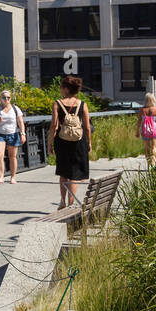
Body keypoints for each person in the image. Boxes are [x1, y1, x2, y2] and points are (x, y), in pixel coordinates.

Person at [49, 76, 92, 210]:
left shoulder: (57, 103)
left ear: (66, 89)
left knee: (63, 172)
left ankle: (62, 202)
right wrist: (89, 142)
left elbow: (54, 126)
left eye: (61, 87)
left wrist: (50, 143)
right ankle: (71, 204)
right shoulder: (82, 104)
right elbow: (87, 127)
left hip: (62, 141)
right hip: (78, 142)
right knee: (74, 174)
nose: (60, 90)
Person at [0, 90, 26, 185]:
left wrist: (23, 134)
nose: (6, 99)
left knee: (12, 156)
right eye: (4, 97)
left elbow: (21, 122)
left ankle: (13, 177)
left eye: (8, 98)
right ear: (0, 98)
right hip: (0, 134)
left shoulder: (15, 109)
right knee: (0, 154)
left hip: (13, 133)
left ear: (10, 98)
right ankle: (1, 177)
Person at [138, 93, 156, 167]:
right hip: (154, 131)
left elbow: (139, 121)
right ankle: (153, 162)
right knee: (154, 147)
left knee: (146, 148)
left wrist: (137, 131)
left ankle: (149, 164)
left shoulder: (142, 110)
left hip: (145, 131)